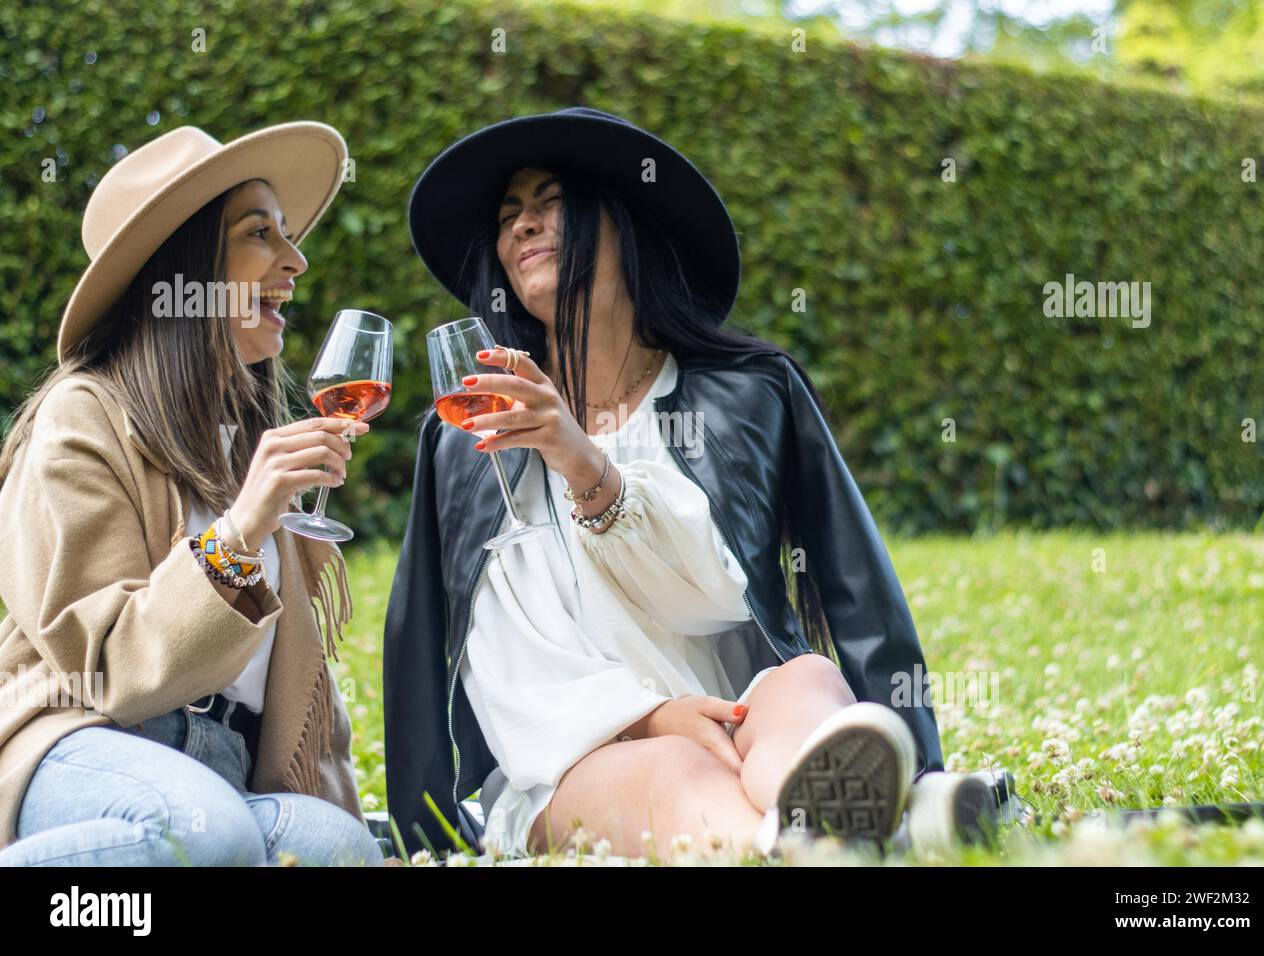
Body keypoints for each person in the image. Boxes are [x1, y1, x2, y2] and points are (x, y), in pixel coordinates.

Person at [386, 106, 994, 861]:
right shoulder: (466, 441)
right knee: (675, 768)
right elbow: (497, 666)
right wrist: (648, 718)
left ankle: (854, 818)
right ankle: (858, 838)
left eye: (551, 203)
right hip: (578, 762)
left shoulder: (744, 397)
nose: (521, 226)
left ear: (624, 225)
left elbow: (813, 590)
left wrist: (585, 462)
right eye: (509, 215)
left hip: (739, 714)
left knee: (803, 679)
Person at [0, 121, 383, 866]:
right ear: (189, 267)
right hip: (84, 742)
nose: (295, 259)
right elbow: (108, 669)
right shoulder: (81, 417)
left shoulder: (241, 444)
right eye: (259, 233)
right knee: (206, 831)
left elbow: (297, 691)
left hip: (223, 768)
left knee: (337, 851)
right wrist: (239, 530)